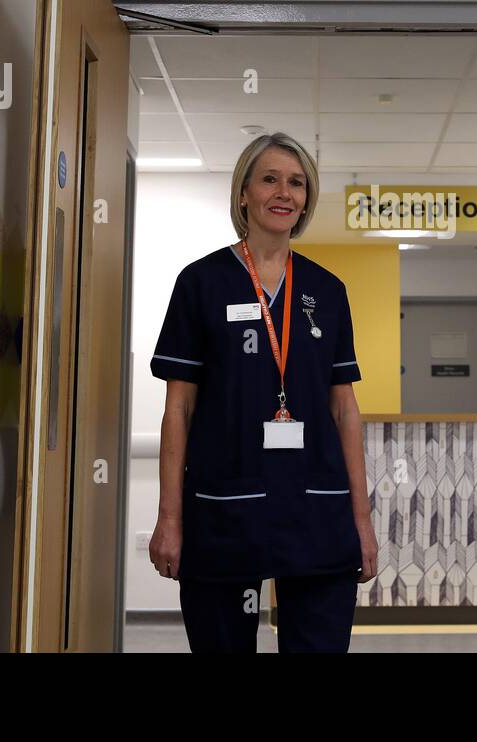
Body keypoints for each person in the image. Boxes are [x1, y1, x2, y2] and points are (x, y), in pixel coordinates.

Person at [148, 131, 379, 653]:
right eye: (270, 179)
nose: (284, 192)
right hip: (223, 510)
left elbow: (345, 410)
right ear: (243, 194)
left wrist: (361, 522)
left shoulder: (327, 290)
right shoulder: (200, 283)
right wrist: (169, 518)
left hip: (317, 512)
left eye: (296, 183)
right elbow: (178, 409)